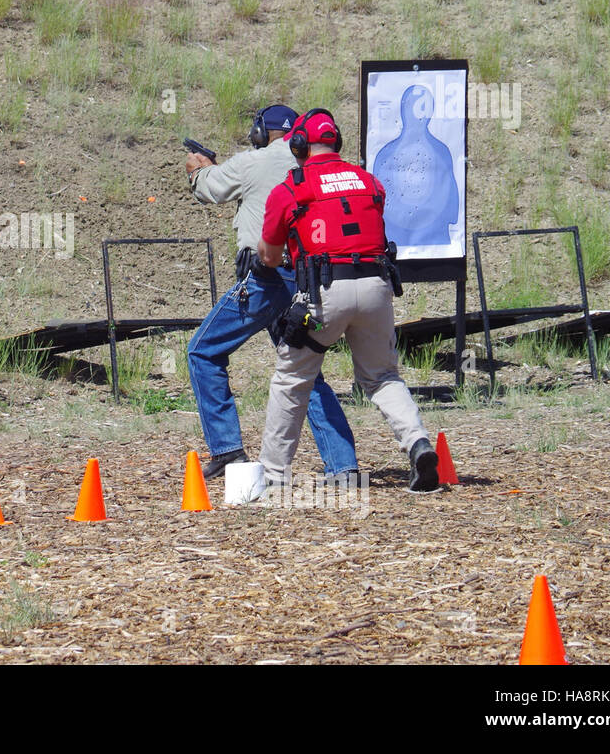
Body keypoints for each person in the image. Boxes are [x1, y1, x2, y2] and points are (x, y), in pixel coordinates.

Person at [256, 109, 440, 492]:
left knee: (292, 379)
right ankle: (418, 443)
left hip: (324, 293)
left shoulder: (290, 188)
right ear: (336, 142)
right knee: (383, 377)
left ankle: (273, 478)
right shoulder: (369, 181)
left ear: (299, 145)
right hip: (376, 287)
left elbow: (270, 256)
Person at [185, 105, 359, 482]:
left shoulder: (253, 161)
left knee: (203, 351)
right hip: (306, 279)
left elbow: (210, 189)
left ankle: (228, 449)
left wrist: (198, 170)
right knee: (304, 371)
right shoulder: (316, 166)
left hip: (265, 279)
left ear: (264, 132)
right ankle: (343, 465)